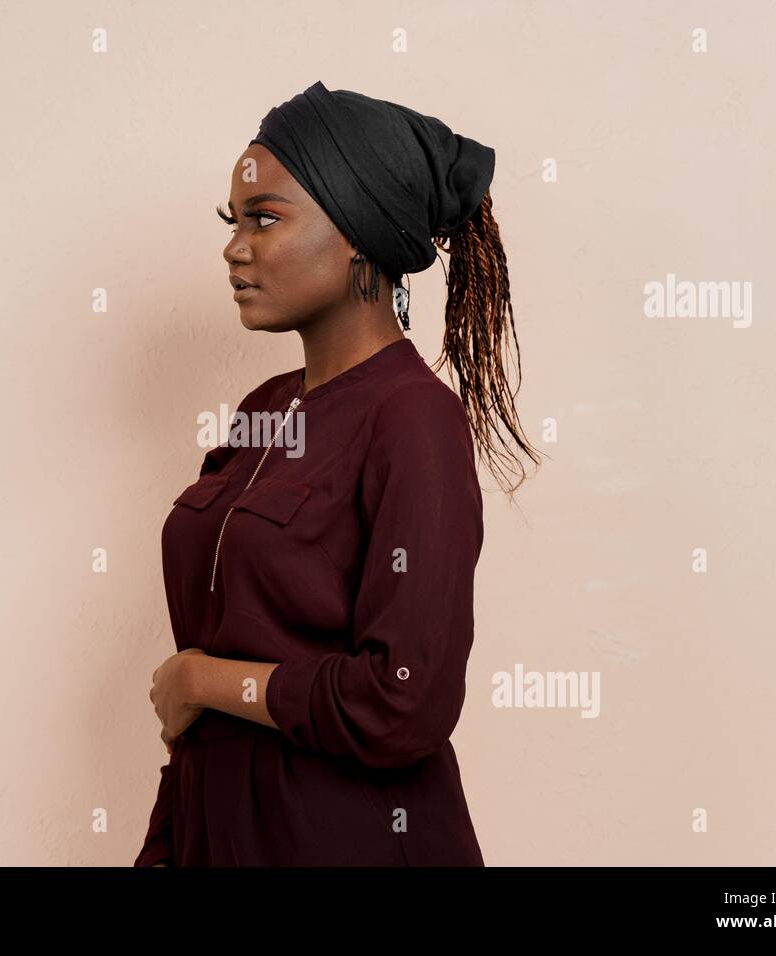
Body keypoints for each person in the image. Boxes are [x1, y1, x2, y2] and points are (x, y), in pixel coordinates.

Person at [135, 81, 542, 866]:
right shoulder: (262, 408)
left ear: (357, 235)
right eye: (233, 221)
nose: (234, 246)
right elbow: (205, 721)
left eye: (265, 218)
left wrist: (202, 681)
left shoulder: (413, 420)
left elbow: (405, 702)